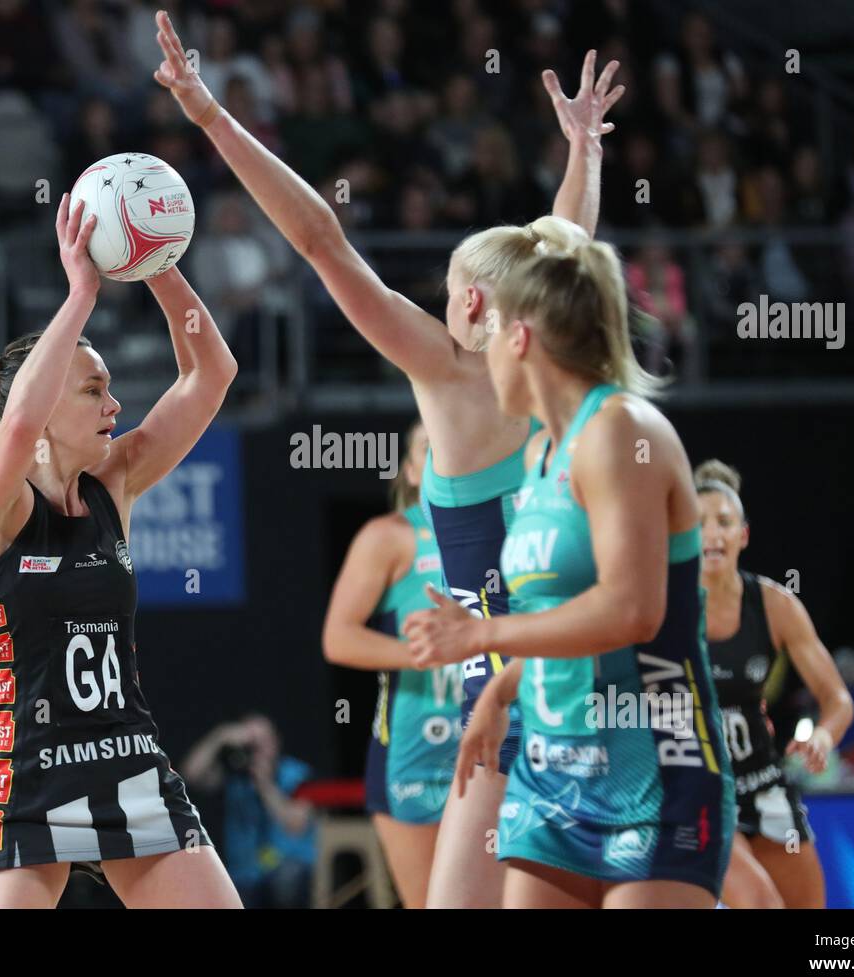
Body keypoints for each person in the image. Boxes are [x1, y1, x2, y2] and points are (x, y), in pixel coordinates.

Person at [152, 8, 622, 908]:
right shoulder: (538, 369)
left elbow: (322, 241)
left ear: (481, 307)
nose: (437, 302)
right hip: (535, 695)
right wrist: (585, 156)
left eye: (449, 290)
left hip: (532, 690)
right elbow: (569, 246)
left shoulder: (453, 374)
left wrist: (211, 118)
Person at [404, 223, 734, 908]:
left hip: (655, 770)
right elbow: (563, 620)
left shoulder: (620, 431)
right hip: (553, 777)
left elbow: (632, 610)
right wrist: (497, 693)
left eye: (491, 340)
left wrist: (484, 637)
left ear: (519, 339)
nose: (480, 360)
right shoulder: (542, 455)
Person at [0, 192, 240, 908]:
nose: (115, 405)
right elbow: (15, 429)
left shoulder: (116, 485)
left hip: (130, 769)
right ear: (45, 405)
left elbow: (211, 376)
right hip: (26, 775)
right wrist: (82, 291)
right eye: (94, 389)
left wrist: (158, 260)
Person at [695, 459, 854, 908]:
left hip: (763, 786)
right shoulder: (664, 608)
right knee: (760, 903)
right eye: (699, 523)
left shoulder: (775, 605)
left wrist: (823, 736)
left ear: (742, 535)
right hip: (699, 786)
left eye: (724, 523)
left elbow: (838, 698)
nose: (713, 534)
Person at [322, 420, 463, 907]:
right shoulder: (391, 536)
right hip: (414, 756)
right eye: (429, 447)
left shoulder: (500, 531)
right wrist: (422, 652)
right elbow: (338, 638)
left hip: (491, 751)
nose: (443, 453)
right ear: (411, 469)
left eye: (451, 442)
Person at [181, 714, 316, 908]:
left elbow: (296, 825)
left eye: (263, 742)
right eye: (252, 744)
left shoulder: (296, 773)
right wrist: (219, 737)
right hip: (245, 874)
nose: (257, 750)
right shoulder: (235, 775)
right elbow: (191, 774)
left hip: (288, 869)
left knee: (285, 882)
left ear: (276, 741)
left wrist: (265, 784)